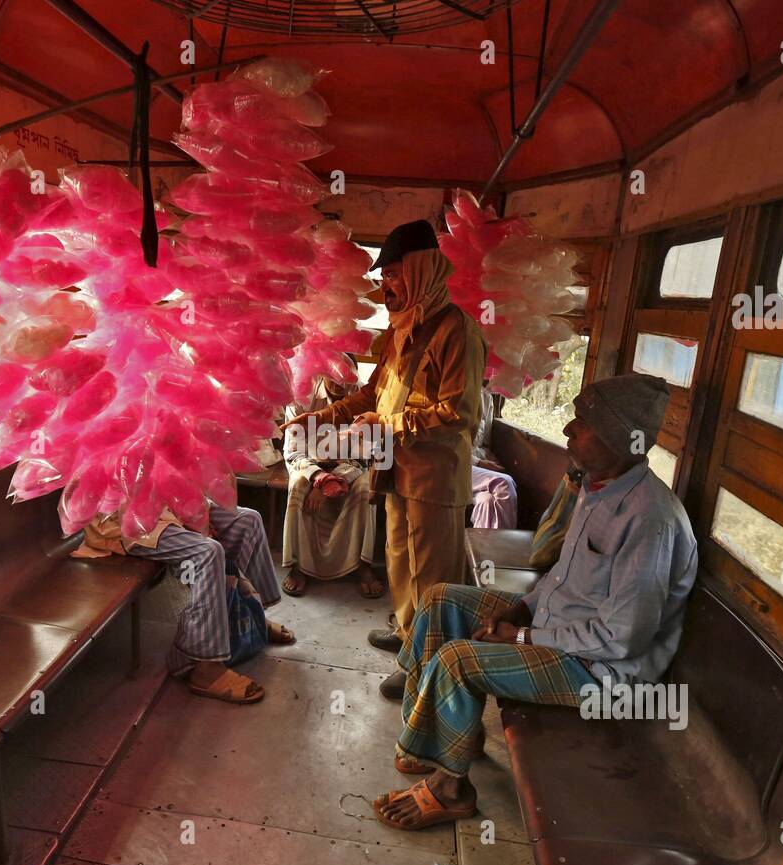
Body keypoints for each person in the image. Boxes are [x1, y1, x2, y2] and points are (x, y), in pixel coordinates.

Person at [371, 373, 698, 831]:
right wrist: (521, 608)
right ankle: (433, 737)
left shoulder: (650, 520)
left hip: (599, 672)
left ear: (621, 439)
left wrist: (523, 636)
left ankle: (452, 789)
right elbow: (562, 573)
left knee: (457, 661)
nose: (568, 429)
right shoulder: (598, 484)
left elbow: (623, 638)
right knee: (441, 599)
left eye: (583, 423)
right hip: (560, 628)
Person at [291, 219, 486, 676]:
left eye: (394, 275)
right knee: (401, 560)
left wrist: (385, 424)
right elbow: (370, 395)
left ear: (422, 270)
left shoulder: (457, 330)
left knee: (432, 579)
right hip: (395, 468)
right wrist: (313, 419)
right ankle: (406, 635)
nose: (386, 288)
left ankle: (427, 670)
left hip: (433, 477)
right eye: (382, 279)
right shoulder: (401, 331)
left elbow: (457, 413)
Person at [74, 505, 295, 704]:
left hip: (168, 505)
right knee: (207, 552)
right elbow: (128, 483)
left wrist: (194, 510)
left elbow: (175, 472)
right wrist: (190, 520)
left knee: (249, 520)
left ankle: (253, 615)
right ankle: (205, 667)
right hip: (126, 517)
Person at [281, 362, 384, 599]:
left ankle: (363, 565)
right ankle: (298, 566)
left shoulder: (363, 398)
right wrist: (320, 478)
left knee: (366, 489)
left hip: (351, 464)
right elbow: (294, 452)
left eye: (346, 376)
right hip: (309, 464)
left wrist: (336, 478)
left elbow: (366, 455)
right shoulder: (301, 396)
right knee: (298, 486)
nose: (340, 382)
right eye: (333, 375)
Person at [470, 380, 518, 529]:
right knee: (505, 483)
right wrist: (478, 463)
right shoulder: (452, 395)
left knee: (487, 501)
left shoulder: (486, 397)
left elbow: (484, 444)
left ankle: (481, 551)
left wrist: (493, 465)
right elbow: (446, 445)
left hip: (476, 474)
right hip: (453, 464)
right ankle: (505, 550)